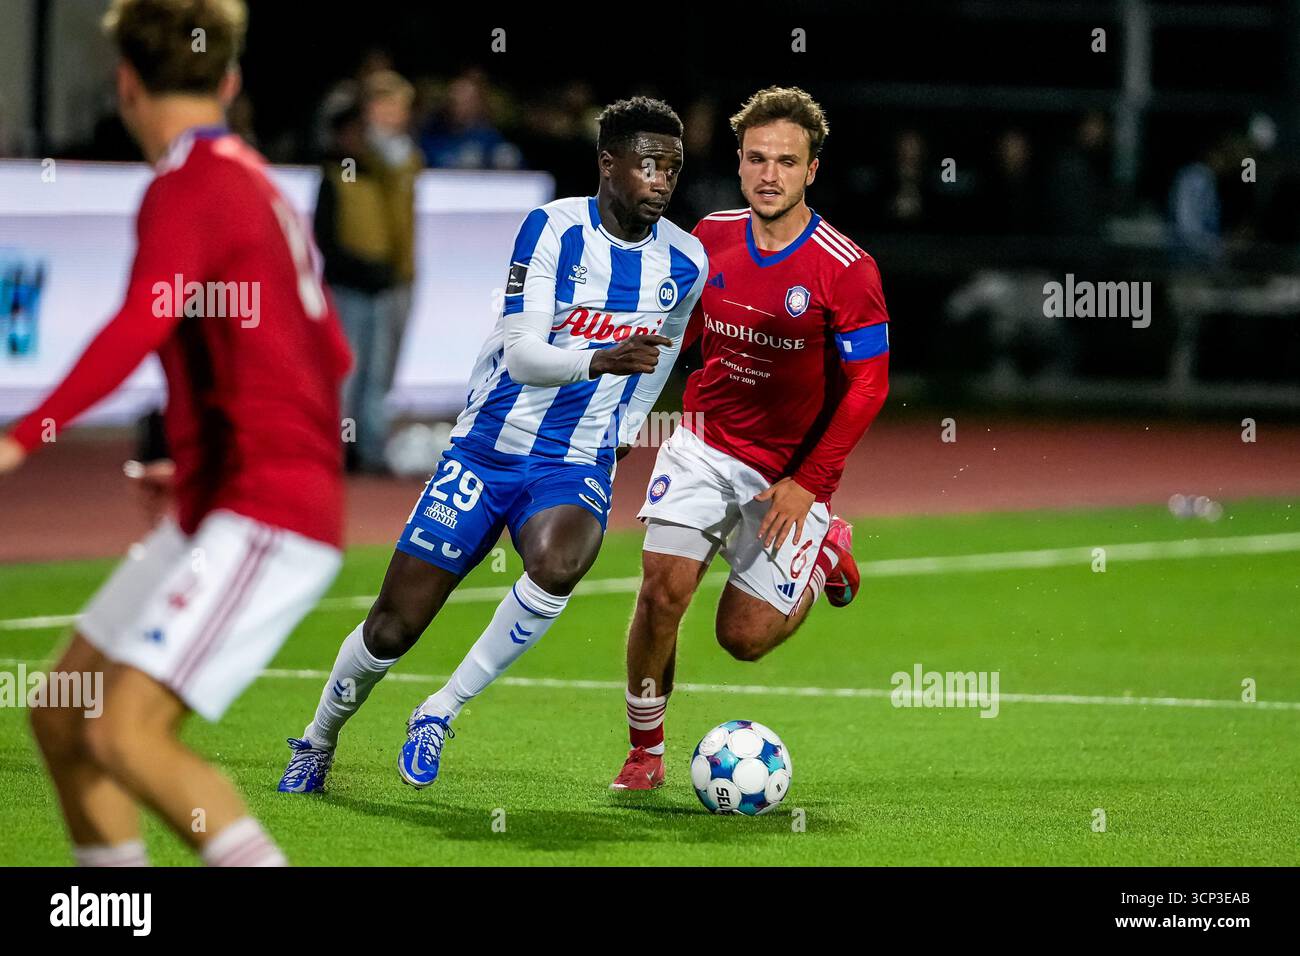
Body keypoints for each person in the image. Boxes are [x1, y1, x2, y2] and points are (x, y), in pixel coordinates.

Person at [0, 0, 351, 866]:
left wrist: (21, 436)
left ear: (124, 85)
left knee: (125, 732)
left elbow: (136, 326)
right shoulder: (258, 183)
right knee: (64, 713)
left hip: (268, 507)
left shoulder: (189, 187)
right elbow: (329, 351)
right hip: (226, 497)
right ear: (228, 82)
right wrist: (198, 466)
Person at [277, 96, 708, 793]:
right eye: (648, 164)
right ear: (607, 163)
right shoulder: (552, 230)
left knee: (561, 562)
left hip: (571, 460)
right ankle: (319, 738)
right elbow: (523, 354)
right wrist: (599, 360)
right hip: (485, 449)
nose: (661, 179)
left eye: (673, 168)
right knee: (392, 628)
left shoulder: (686, 260)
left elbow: (664, 351)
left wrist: (624, 426)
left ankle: (440, 711)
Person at [609, 87, 890, 792]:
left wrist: (811, 487)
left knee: (743, 639)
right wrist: (621, 418)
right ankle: (646, 749)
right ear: (739, 163)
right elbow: (684, 338)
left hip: (789, 472)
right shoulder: (709, 237)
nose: (770, 174)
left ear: (811, 172)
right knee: (661, 591)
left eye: (787, 162)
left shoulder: (846, 268)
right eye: (757, 158)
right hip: (703, 444)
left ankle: (827, 545)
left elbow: (868, 387)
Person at [315, 70, 421, 473]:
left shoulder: (399, 161)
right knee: (348, 367)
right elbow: (331, 235)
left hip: (393, 278)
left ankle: (367, 447)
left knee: (379, 370)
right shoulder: (346, 171)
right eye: (380, 107)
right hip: (356, 283)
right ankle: (341, 448)